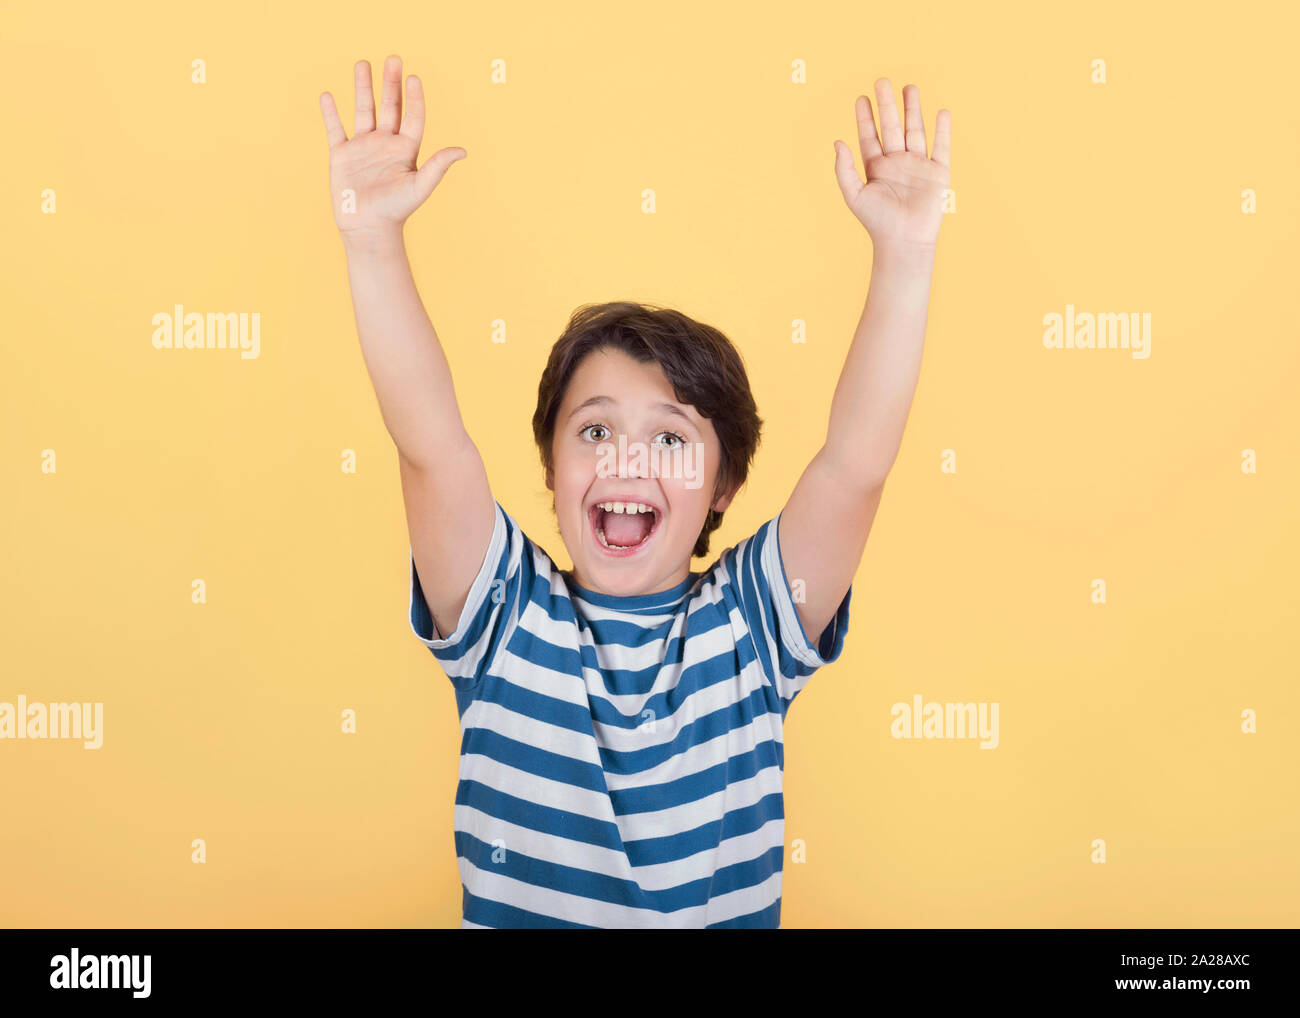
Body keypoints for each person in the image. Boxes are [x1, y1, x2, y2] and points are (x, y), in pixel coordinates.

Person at [318, 55, 951, 927]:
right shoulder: (502, 612)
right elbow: (430, 445)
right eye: (594, 430)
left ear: (722, 485)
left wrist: (907, 257)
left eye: (669, 437)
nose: (626, 461)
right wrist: (371, 239)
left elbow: (855, 464)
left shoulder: (754, 627)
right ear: (550, 467)